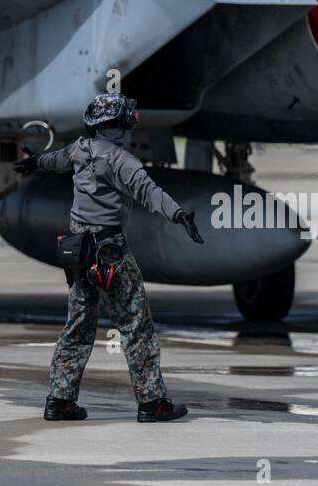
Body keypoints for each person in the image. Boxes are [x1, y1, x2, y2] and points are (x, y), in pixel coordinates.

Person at [14, 93, 204, 423]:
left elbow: (56, 160)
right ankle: (152, 403)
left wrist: (35, 162)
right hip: (109, 251)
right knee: (136, 325)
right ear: (115, 127)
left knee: (78, 326)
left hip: (78, 252)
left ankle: (59, 400)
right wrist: (179, 214)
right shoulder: (120, 160)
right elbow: (149, 192)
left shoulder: (80, 149)